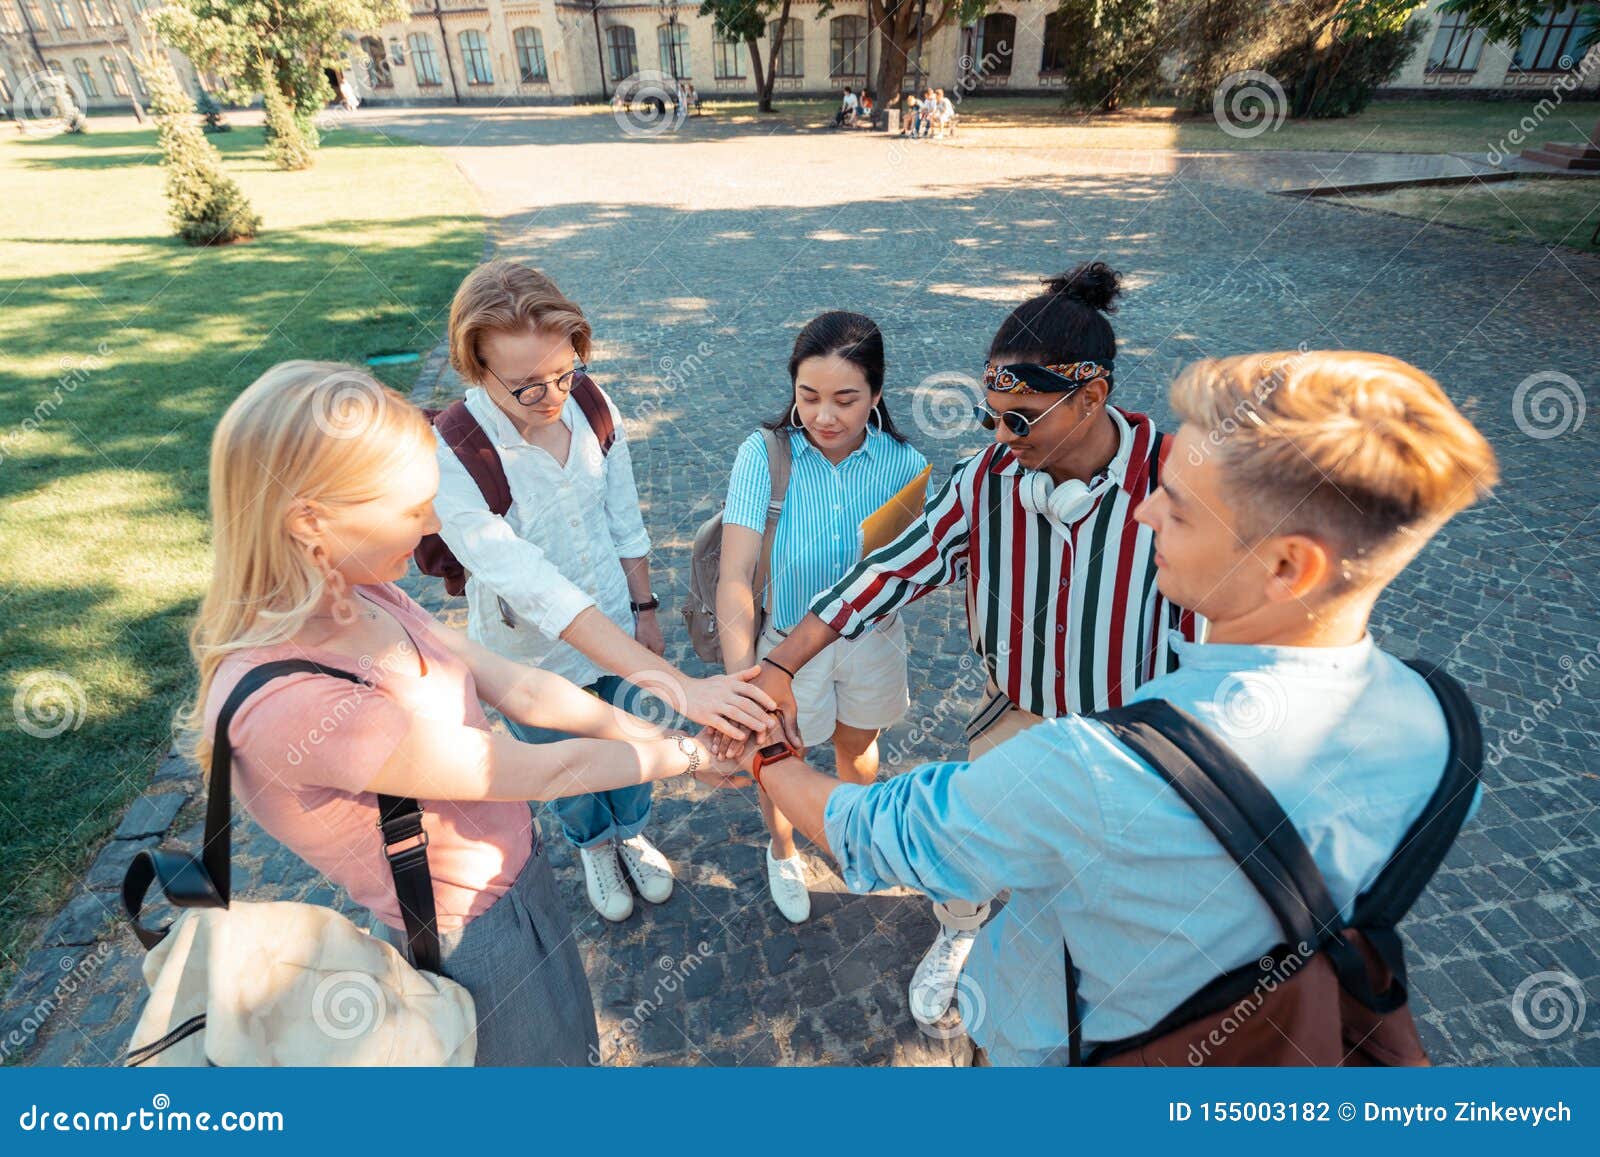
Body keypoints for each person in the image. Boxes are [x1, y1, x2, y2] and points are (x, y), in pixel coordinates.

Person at [720, 349, 1499, 1064]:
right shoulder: (1443, 721)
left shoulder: (1092, 767)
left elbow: (883, 834)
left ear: (1289, 565)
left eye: (1180, 507)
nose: (1147, 513)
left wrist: (769, 753)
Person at [178, 362, 746, 1066]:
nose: (432, 523)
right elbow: (540, 765)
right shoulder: (291, 699)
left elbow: (522, 689)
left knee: (573, 1050)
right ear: (310, 521)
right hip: (469, 933)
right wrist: (694, 757)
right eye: (411, 506)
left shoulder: (360, 595)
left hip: (518, 877)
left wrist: (661, 728)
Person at [739, 262, 1200, 1025]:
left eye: (1021, 417)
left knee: (1101, 883)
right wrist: (782, 661)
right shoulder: (985, 478)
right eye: (992, 413)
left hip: (1130, 738)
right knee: (975, 851)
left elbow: (1210, 635)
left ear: (1092, 397)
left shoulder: (1179, 482)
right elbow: (888, 569)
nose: (998, 434)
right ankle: (961, 933)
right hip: (1013, 717)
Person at [432, 261, 776, 923]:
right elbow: (536, 588)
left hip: (618, 622)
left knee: (636, 738)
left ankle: (632, 830)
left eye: (565, 371)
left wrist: (644, 608)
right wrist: (683, 686)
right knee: (567, 761)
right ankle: (593, 842)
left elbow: (622, 513)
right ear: (474, 365)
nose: (554, 395)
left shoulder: (591, 404)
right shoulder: (454, 454)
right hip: (528, 656)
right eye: (527, 388)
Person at [717, 312, 929, 923]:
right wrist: (743, 681)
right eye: (808, 397)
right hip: (783, 645)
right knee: (782, 754)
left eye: (846, 399)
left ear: (878, 395)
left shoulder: (904, 466)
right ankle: (782, 850)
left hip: (874, 643)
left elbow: (907, 576)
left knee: (859, 745)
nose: (824, 416)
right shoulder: (765, 455)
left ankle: (853, 839)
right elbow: (735, 575)